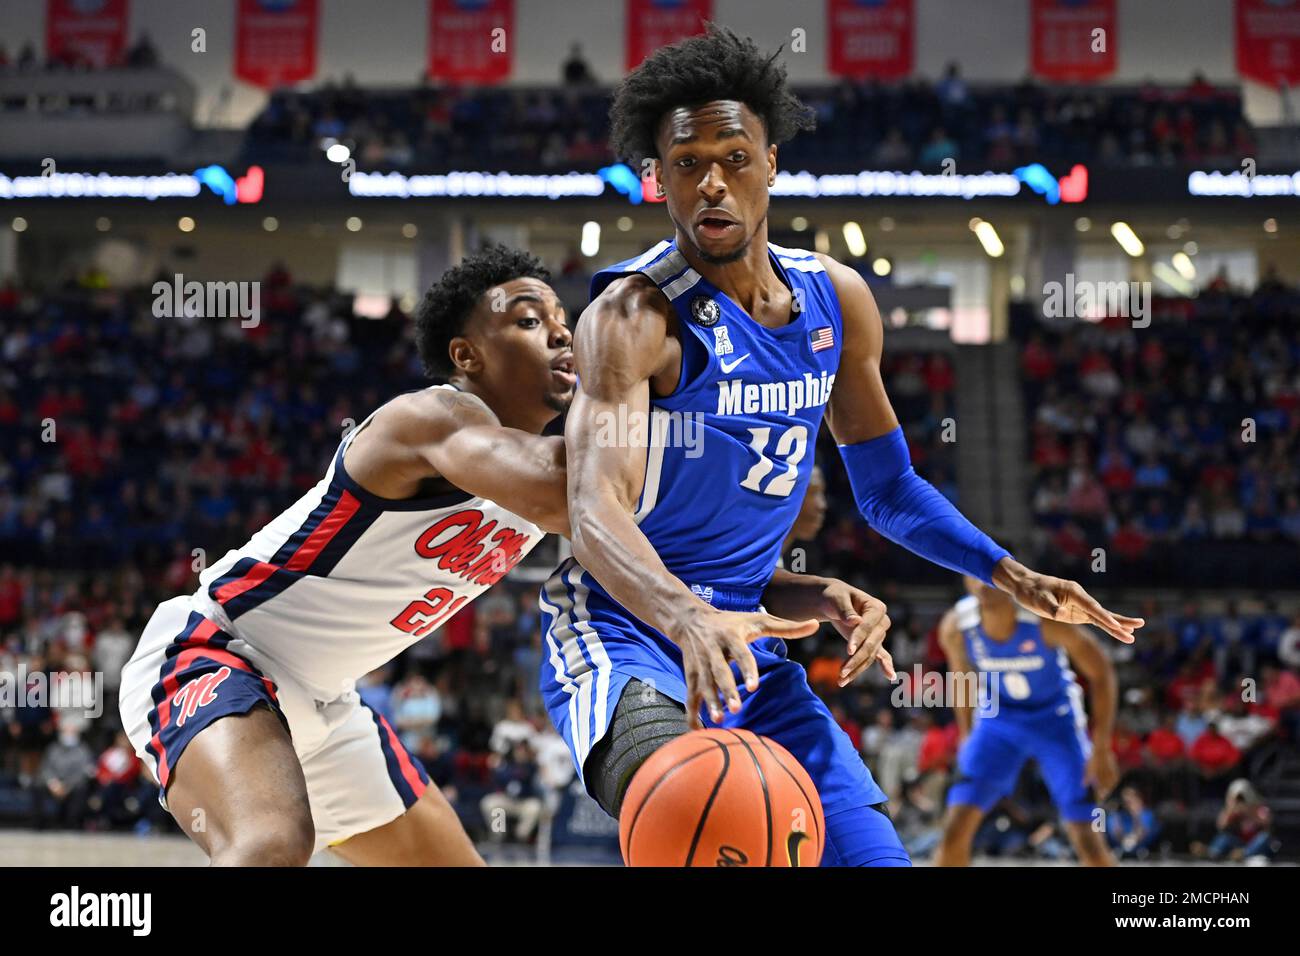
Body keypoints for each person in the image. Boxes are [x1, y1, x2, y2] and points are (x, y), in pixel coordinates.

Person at [541, 26, 1142, 868]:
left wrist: (1007, 572)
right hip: (628, 630)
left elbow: (889, 490)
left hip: (751, 638)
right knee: (690, 810)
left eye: (734, 157)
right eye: (686, 163)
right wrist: (686, 615)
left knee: (872, 858)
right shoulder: (632, 317)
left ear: (772, 164)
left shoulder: (835, 302)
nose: (712, 182)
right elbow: (591, 507)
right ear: (659, 179)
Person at [119, 246, 575, 866]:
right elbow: (568, 486)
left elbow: (631, 515)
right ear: (467, 355)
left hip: (326, 701)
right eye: (529, 320)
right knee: (271, 847)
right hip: (215, 652)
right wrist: (633, 385)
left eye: (562, 320)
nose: (560, 332)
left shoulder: (548, 463)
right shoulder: (429, 418)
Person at [934, 576, 1119, 866]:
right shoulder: (956, 626)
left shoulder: (1044, 618)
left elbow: (1101, 673)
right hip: (999, 720)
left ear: (1007, 578)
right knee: (955, 829)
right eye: (973, 572)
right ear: (965, 581)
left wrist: (1102, 747)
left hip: (1056, 720)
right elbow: (962, 680)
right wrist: (966, 735)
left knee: (1086, 835)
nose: (982, 581)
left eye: (989, 573)